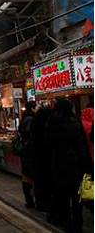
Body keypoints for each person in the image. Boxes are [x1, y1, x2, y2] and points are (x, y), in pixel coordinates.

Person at [47, 99, 91, 232]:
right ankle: (78, 224)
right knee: (77, 197)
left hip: (58, 165)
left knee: (63, 196)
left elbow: (48, 146)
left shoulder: (51, 124)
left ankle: (66, 223)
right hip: (75, 165)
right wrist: (87, 166)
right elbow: (82, 147)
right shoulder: (75, 123)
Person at [18, 102, 36, 208]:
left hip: (25, 151)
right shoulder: (30, 120)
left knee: (26, 176)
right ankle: (32, 200)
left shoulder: (23, 119)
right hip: (30, 151)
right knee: (31, 176)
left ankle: (29, 200)